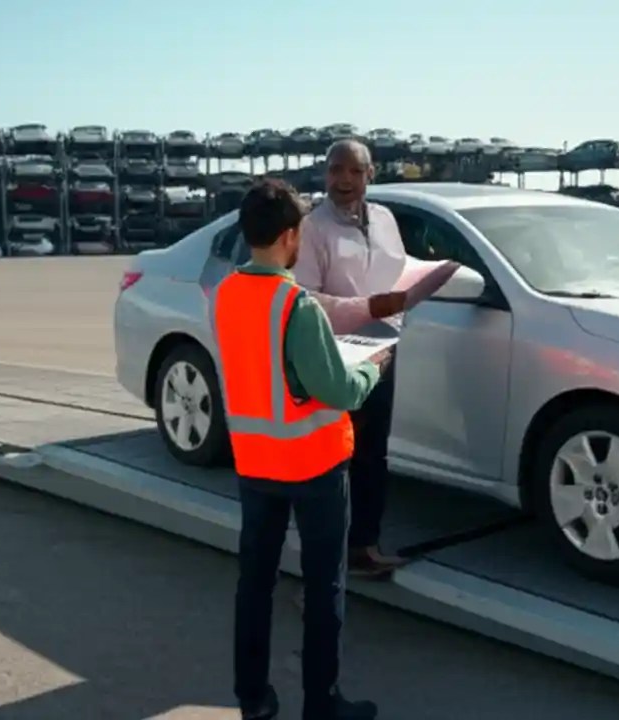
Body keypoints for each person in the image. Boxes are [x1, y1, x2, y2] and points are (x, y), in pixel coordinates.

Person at [214, 178, 386, 720]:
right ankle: (322, 704)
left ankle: (253, 698)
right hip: (313, 464)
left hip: (255, 464)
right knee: (323, 587)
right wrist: (370, 370)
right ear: (291, 236)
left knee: (255, 584)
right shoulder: (296, 306)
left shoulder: (227, 295)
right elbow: (336, 389)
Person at [292, 139, 408, 578]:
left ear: (370, 174)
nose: (344, 179)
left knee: (372, 454)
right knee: (333, 457)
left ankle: (363, 547)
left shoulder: (385, 219)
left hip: (382, 347)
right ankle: (323, 558)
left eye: (354, 171)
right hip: (335, 352)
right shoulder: (313, 228)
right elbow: (305, 299)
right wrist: (364, 308)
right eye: (335, 169)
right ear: (325, 174)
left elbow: (396, 270)